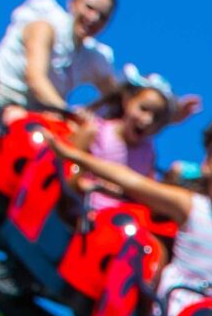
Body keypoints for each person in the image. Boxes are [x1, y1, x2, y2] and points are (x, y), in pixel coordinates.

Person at [52, 113, 212, 316]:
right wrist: (78, 157)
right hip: (183, 300)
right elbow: (134, 182)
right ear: (208, 163)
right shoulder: (190, 200)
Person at [80, 70, 198, 220]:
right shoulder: (96, 131)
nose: (147, 120)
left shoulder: (148, 153)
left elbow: (145, 193)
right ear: (127, 101)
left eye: (156, 117)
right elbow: (66, 170)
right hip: (81, 212)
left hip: (116, 224)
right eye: (143, 109)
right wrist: (80, 184)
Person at [0, 0, 119, 115]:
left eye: (102, 17)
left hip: (31, 118)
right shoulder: (46, 25)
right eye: (89, 7)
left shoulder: (92, 56)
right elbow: (35, 79)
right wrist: (69, 113)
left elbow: (115, 98)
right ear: (72, 3)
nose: (94, 18)